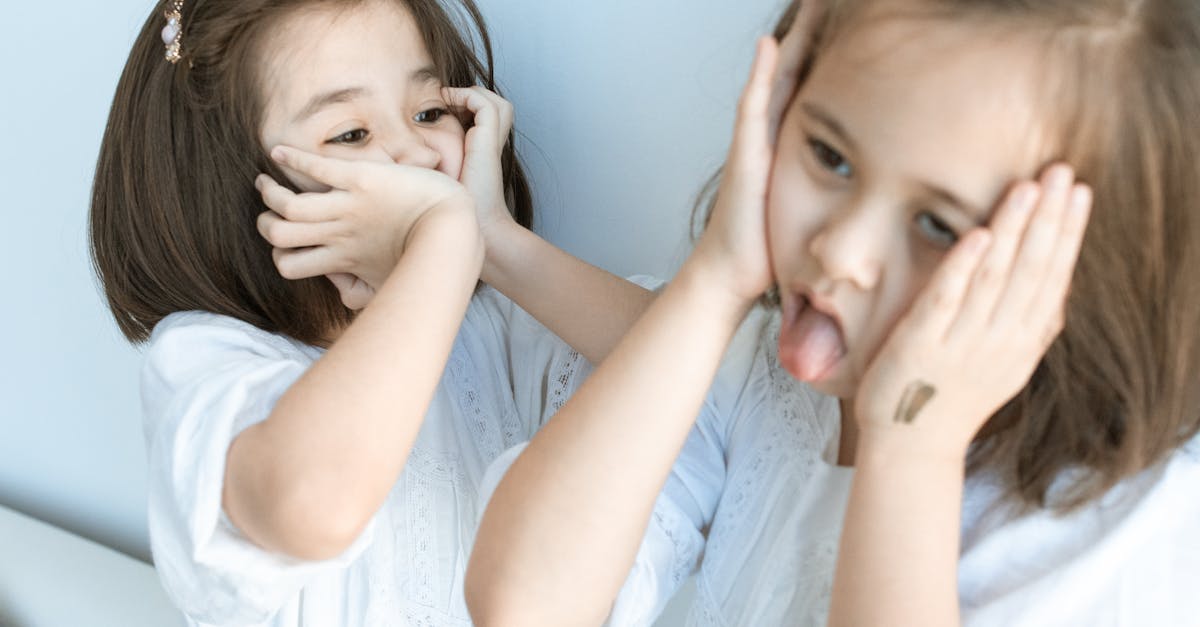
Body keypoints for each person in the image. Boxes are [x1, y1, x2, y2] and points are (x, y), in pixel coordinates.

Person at [464, 0, 1200, 625]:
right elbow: (525, 600)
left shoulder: (1126, 541)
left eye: (938, 226)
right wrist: (717, 276)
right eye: (829, 156)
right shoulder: (759, 383)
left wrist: (912, 451)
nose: (840, 248)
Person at [89, 0, 650, 624]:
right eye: (351, 133)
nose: (417, 153)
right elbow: (312, 507)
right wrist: (441, 240)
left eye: (429, 112)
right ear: (225, 183)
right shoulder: (210, 360)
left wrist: (492, 243)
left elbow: (706, 370)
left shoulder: (493, 328)